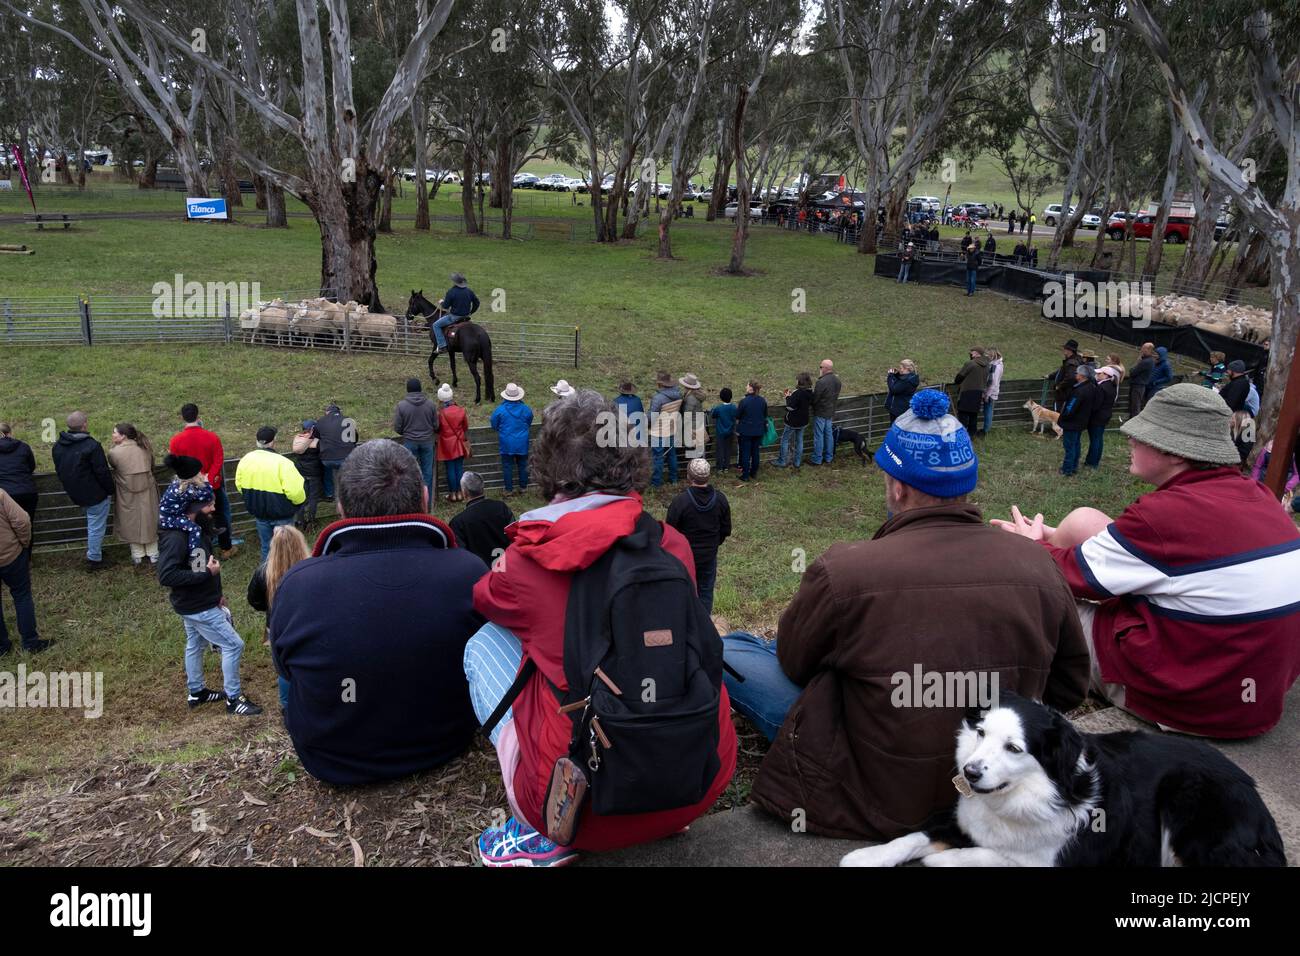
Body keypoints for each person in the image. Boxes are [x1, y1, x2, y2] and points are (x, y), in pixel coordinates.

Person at [726, 389, 1088, 839]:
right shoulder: (1038, 563)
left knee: (733, 648)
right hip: (993, 784)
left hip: (875, 782)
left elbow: (795, 665)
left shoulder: (845, 569)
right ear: (965, 483)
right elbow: (1069, 687)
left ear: (897, 486)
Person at [465, 389, 737, 865]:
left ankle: (542, 833)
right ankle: (661, 793)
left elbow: (483, 598)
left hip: (577, 811)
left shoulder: (526, 560)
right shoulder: (669, 543)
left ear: (549, 469)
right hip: (699, 781)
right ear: (631, 461)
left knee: (485, 642)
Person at [993, 384, 1300, 739]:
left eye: (1143, 435)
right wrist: (1050, 537)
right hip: (1253, 696)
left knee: (1043, 594)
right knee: (1084, 520)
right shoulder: (1256, 496)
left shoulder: (1164, 516)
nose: (1130, 439)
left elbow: (1059, 575)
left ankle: (1020, 692)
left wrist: (1028, 546)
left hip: (1196, 703)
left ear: (1176, 453)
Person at [270, 440, 485, 783]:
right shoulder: (469, 572)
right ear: (425, 499)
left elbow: (286, 668)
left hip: (330, 758)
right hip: (445, 742)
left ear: (340, 508)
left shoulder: (298, 585)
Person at [156, 467, 262, 717]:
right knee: (234, 645)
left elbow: (199, 564)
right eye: (207, 505)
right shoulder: (177, 538)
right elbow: (167, 575)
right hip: (198, 606)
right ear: (191, 508)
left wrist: (216, 593)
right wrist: (207, 577)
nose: (213, 509)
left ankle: (197, 692)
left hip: (197, 602)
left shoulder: (194, 530)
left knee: (195, 644)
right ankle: (234, 699)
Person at [246, 524, 311, 711]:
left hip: (276, 627)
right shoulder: (311, 567)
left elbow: (254, 600)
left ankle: (287, 706)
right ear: (300, 542)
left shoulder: (263, 572)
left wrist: (270, 608)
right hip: (306, 623)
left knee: (283, 668)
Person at [169, 404, 237, 557]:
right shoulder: (212, 437)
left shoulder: (176, 441)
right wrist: (209, 479)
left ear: (182, 418)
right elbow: (218, 460)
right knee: (220, 515)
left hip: (189, 487)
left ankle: (200, 550)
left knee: (194, 517)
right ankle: (226, 548)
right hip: (212, 485)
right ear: (198, 416)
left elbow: (176, 464)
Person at [665, 458, 731, 614]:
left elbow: (670, 531)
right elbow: (726, 529)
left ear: (689, 476)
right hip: (709, 555)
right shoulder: (720, 499)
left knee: (685, 589)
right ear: (708, 476)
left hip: (685, 557)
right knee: (706, 591)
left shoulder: (680, 502)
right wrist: (714, 543)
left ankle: (687, 624)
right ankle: (705, 624)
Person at [52, 412, 114, 572]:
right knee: (96, 526)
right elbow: (102, 472)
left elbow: (59, 471)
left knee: (93, 523)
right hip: (95, 494)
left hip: (75, 492)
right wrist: (110, 490)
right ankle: (94, 558)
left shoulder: (58, 446)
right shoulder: (92, 446)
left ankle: (95, 549)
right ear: (85, 425)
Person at [235, 426, 307, 560]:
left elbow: (239, 485)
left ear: (257, 441)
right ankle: (287, 576)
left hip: (259, 512)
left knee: (266, 546)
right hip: (282, 513)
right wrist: (298, 503)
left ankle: (266, 577)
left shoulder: (246, 459)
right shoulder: (283, 463)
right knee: (286, 549)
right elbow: (296, 492)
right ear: (273, 441)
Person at [107, 423, 160, 569]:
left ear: (123, 436)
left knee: (130, 520)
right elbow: (152, 466)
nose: (113, 435)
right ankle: (153, 552)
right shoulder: (145, 449)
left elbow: (114, 466)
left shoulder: (114, 453)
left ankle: (137, 554)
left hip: (126, 492)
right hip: (147, 490)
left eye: (115, 432)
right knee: (149, 517)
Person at [0, 487, 46, 654]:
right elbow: (22, 520)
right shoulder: (1, 495)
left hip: (11, 553)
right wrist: (24, 543)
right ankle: (30, 642)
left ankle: (2, 647)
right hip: (11, 556)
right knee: (22, 596)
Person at [449, 471, 514, 568]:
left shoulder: (458, 523)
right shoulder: (501, 507)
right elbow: (514, 535)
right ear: (482, 488)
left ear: (464, 492)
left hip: (478, 574)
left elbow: (459, 556)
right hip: (505, 568)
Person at [393, 377, 440, 505]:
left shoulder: (401, 406)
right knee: (427, 473)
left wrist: (406, 432)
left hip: (410, 442)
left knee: (410, 473)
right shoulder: (430, 404)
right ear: (420, 389)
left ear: (408, 390)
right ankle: (427, 503)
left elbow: (397, 427)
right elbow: (436, 425)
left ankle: (413, 504)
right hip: (427, 442)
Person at [491, 383, 533, 496]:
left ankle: (509, 490)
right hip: (522, 442)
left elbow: (494, 424)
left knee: (507, 466)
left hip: (506, 442)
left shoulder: (499, 410)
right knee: (523, 464)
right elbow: (529, 421)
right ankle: (523, 488)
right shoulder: (526, 409)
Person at [1059, 364, 1099, 477]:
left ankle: (1067, 469)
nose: (1076, 374)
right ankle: (1074, 466)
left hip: (1072, 423)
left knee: (1070, 446)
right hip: (1081, 422)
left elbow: (1070, 407)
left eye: (1077, 373)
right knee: (1076, 444)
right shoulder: (1091, 387)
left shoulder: (1079, 391)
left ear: (1081, 376)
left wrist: (1064, 416)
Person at [316, 403, 357, 502]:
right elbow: (354, 438)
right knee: (348, 473)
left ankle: (330, 493)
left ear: (327, 412)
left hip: (327, 459)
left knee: (328, 470)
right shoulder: (348, 420)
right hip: (346, 458)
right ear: (339, 412)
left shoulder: (320, 421)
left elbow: (317, 437)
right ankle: (350, 493)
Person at [648, 371, 683, 487]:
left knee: (658, 457)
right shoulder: (678, 395)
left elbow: (652, 416)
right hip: (671, 429)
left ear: (660, 384)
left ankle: (656, 483)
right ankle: (674, 479)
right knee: (671, 454)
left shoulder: (658, 398)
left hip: (658, 432)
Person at [436, 383, 470, 502]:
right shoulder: (460, 410)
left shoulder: (440, 413)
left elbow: (437, 428)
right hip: (459, 443)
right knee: (459, 468)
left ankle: (453, 494)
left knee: (450, 468)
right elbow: (465, 426)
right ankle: (460, 493)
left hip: (446, 444)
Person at [773, 372, 814, 469]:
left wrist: (788, 397)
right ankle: (797, 462)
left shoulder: (798, 393)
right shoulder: (810, 392)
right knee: (799, 440)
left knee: (784, 440)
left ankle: (782, 461)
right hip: (803, 421)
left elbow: (790, 407)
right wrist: (792, 397)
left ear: (800, 381)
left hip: (793, 421)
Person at [433, 271, 480, 355]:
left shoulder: (451, 292)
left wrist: (441, 302)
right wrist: (471, 312)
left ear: (454, 282)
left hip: (454, 317)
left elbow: (446, 306)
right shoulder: (469, 291)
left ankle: (442, 346)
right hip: (466, 317)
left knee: (436, 325)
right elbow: (477, 303)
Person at [0, 423, 37, 528]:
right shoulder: (23, 446)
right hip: (27, 492)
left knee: (6, 529)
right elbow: (31, 467)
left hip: (4, 496)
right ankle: (27, 544)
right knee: (27, 526)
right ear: (10, 433)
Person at [290, 419, 323, 532]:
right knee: (313, 498)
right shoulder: (317, 441)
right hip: (314, 473)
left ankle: (300, 521)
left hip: (301, 472)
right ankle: (311, 522)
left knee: (302, 498)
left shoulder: (297, 439)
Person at [1085, 365, 1119, 469]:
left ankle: (1092, 462)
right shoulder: (1112, 386)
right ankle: (1095, 460)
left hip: (1097, 417)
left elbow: (1096, 405)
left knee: (1095, 439)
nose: (1097, 375)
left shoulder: (1101, 387)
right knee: (1098, 439)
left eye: (1099, 373)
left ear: (1106, 375)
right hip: (1105, 415)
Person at [809, 359, 841, 466]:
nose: (820, 369)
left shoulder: (821, 382)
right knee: (828, 435)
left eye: (821, 367)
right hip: (830, 412)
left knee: (819, 435)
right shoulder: (837, 381)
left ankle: (817, 459)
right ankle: (829, 457)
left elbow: (815, 399)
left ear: (826, 368)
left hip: (821, 412)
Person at [736, 381, 768, 481]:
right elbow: (765, 414)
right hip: (758, 430)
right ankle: (753, 473)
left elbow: (737, 415)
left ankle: (745, 475)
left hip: (746, 431)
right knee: (755, 452)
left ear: (751, 388)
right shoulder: (762, 401)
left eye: (747, 385)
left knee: (746, 452)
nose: (746, 386)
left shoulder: (744, 401)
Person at [953, 347, 989, 435]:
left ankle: (961, 435)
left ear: (977, 353)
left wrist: (957, 381)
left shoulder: (971, 363)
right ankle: (972, 434)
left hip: (967, 392)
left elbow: (959, 377)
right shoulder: (987, 365)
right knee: (973, 415)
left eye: (972, 353)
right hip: (979, 392)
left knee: (963, 414)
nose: (971, 354)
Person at [1047, 339, 1082, 410]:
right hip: (1067, 393)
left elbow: (1071, 377)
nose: (1063, 350)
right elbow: (1061, 370)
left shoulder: (1071, 362)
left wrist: (1059, 386)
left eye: (1065, 348)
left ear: (1069, 350)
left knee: (1058, 414)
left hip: (1064, 394)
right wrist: (1050, 376)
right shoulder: (1072, 360)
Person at [710, 387, 738, 471]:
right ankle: (726, 466)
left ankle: (719, 467)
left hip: (720, 432)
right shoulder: (734, 407)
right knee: (728, 449)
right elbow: (736, 416)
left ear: (721, 397)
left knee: (720, 450)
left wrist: (712, 409)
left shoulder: (718, 408)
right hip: (730, 431)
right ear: (731, 397)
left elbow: (713, 415)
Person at [1128, 342, 1155, 418]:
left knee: (1135, 406)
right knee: (1134, 406)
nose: (1141, 349)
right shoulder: (1150, 360)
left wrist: (1137, 362)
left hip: (1138, 386)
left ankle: (1134, 425)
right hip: (1139, 386)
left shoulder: (1145, 362)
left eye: (1143, 348)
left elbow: (1132, 372)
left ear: (1149, 350)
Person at [981, 347, 1003, 435]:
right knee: (987, 410)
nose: (987, 357)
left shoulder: (996, 367)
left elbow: (993, 382)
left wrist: (987, 395)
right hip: (991, 391)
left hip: (991, 393)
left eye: (988, 355)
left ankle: (985, 431)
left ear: (993, 355)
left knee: (988, 411)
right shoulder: (996, 364)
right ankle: (986, 429)